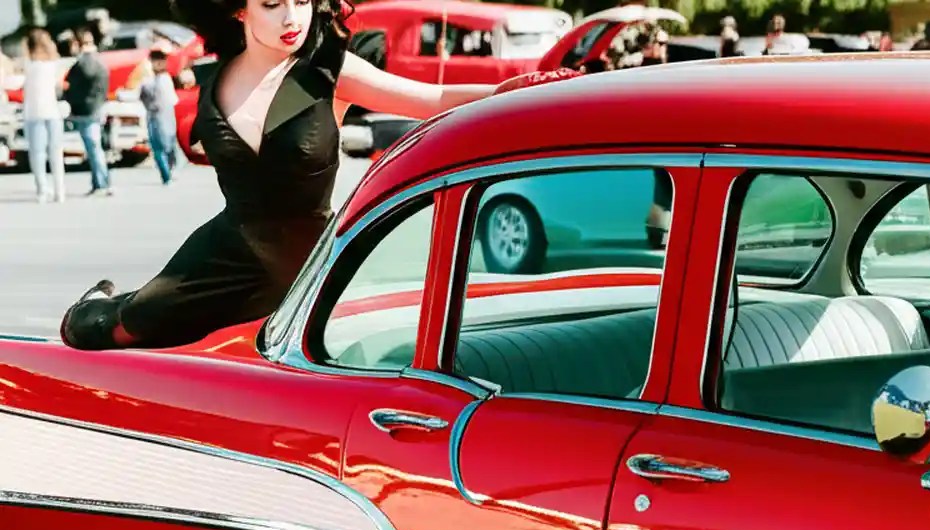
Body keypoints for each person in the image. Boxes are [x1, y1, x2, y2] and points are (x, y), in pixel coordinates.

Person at [59, 0, 580, 351]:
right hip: (223, 250)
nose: (292, 16)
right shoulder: (215, 80)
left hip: (307, 256)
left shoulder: (329, 72)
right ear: (240, 9)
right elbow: (208, 147)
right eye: (272, 3)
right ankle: (100, 300)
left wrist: (528, 89)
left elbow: (435, 100)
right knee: (110, 331)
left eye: (302, 0)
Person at [64, 26, 113, 196]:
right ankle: (100, 182)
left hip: (86, 111)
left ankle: (101, 184)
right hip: (96, 108)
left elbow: (71, 85)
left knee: (93, 149)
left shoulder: (84, 63)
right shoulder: (99, 62)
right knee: (95, 148)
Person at [21, 28, 66, 204]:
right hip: (53, 112)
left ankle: (42, 190)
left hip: (34, 114)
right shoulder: (55, 65)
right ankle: (59, 190)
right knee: (56, 154)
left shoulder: (28, 66)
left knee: (38, 154)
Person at [138, 48, 180, 185]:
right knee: (166, 146)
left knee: (159, 148)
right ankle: (169, 172)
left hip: (158, 117)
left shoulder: (157, 80)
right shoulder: (162, 79)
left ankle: (167, 174)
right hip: (165, 116)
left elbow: (147, 97)